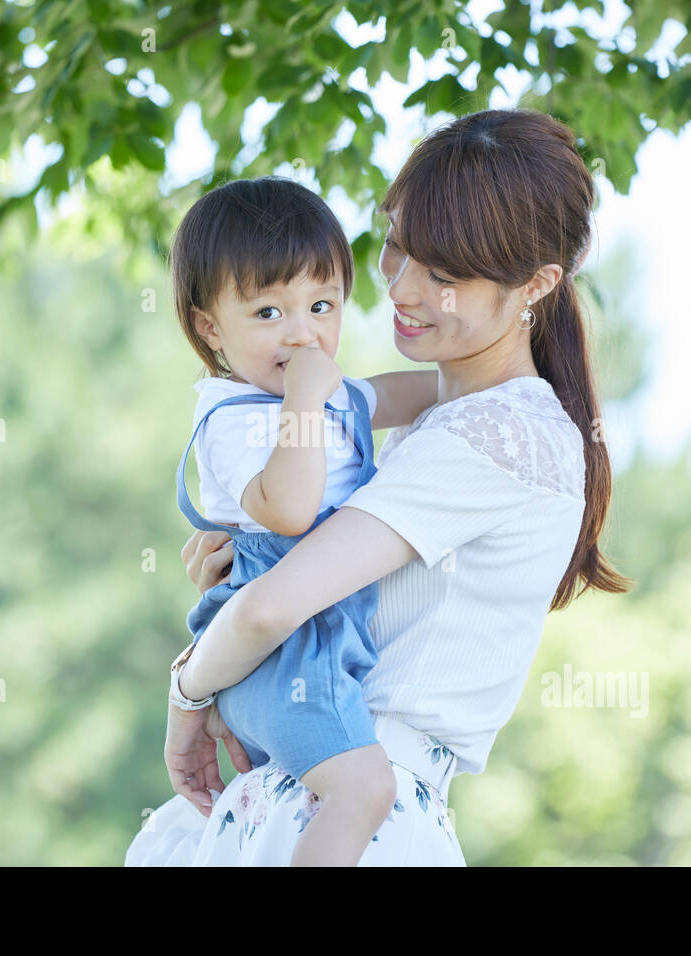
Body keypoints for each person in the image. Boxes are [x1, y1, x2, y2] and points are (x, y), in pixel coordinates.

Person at [127, 108, 632, 866]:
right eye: (396, 248)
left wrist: (188, 695)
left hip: (364, 810)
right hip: (316, 789)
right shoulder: (440, 425)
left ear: (536, 285)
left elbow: (267, 612)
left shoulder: (494, 437)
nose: (400, 287)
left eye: (444, 275)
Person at [166, 177, 441, 865]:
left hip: (323, 632)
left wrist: (490, 386)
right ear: (210, 328)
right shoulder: (231, 419)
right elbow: (289, 512)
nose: (301, 332)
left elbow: (415, 392)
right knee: (362, 791)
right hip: (285, 649)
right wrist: (306, 404)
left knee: (293, 802)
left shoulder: (319, 395)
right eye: (266, 313)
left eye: (321, 305)